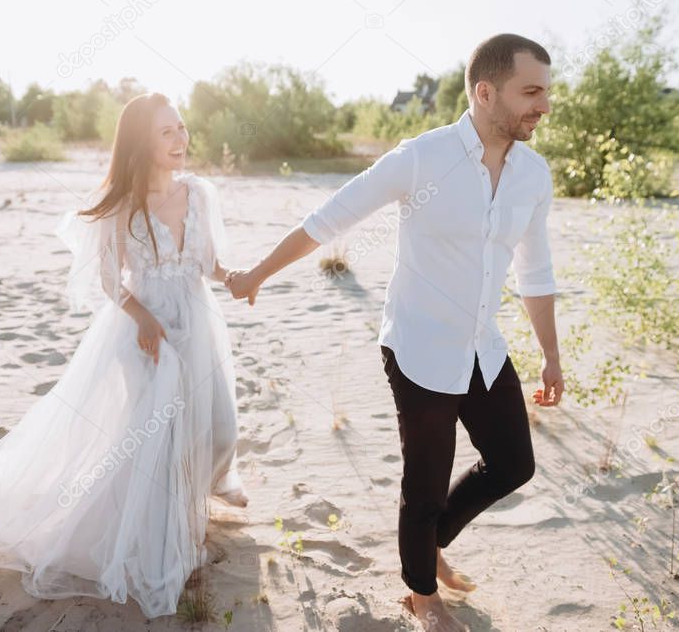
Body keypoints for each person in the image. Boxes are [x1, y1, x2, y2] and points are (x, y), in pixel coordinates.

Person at [226, 34, 565, 631]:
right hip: (418, 344)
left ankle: (429, 544)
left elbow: (535, 271)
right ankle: (421, 594)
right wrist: (258, 273)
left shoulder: (533, 175)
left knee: (514, 463)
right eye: (531, 91)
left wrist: (550, 357)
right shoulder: (422, 158)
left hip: (482, 347)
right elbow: (329, 218)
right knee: (426, 479)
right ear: (486, 92)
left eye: (546, 91)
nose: (544, 105)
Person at [0, 93, 247, 619]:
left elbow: (209, 261)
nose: (181, 140)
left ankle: (199, 498)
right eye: (167, 132)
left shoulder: (201, 193)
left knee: (219, 427)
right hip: (147, 331)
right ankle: (168, 535)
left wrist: (230, 275)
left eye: (182, 128)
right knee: (158, 438)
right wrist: (142, 316)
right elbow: (107, 280)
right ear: (142, 141)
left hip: (199, 323)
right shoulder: (120, 205)